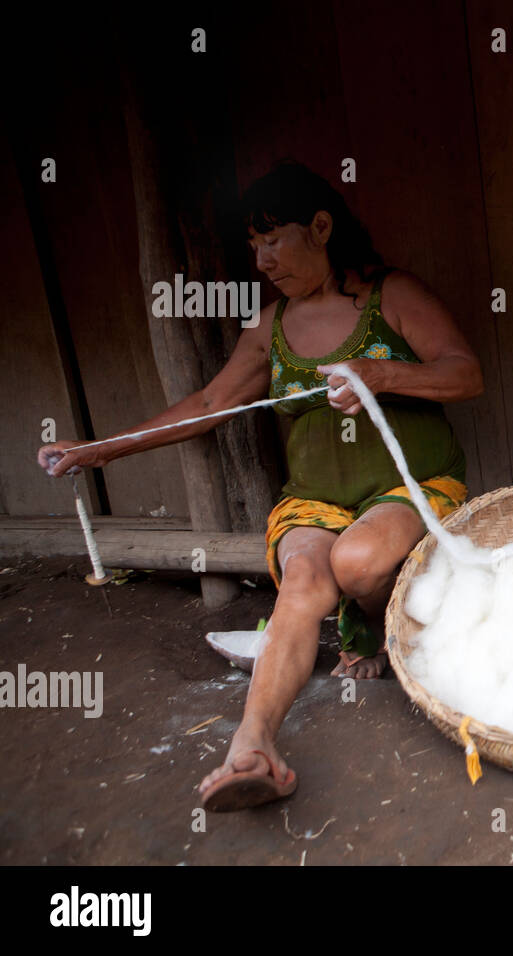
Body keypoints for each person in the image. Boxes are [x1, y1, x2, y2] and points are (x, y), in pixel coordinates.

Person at [37, 162, 483, 810]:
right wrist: (98, 451)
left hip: (411, 487)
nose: (262, 259)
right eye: (253, 245)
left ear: (322, 228)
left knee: (358, 563)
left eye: (273, 239)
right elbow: (208, 404)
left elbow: (465, 374)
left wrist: (382, 377)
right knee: (304, 581)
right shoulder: (270, 326)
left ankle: (370, 626)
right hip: (316, 500)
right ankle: (252, 747)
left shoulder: (392, 298)